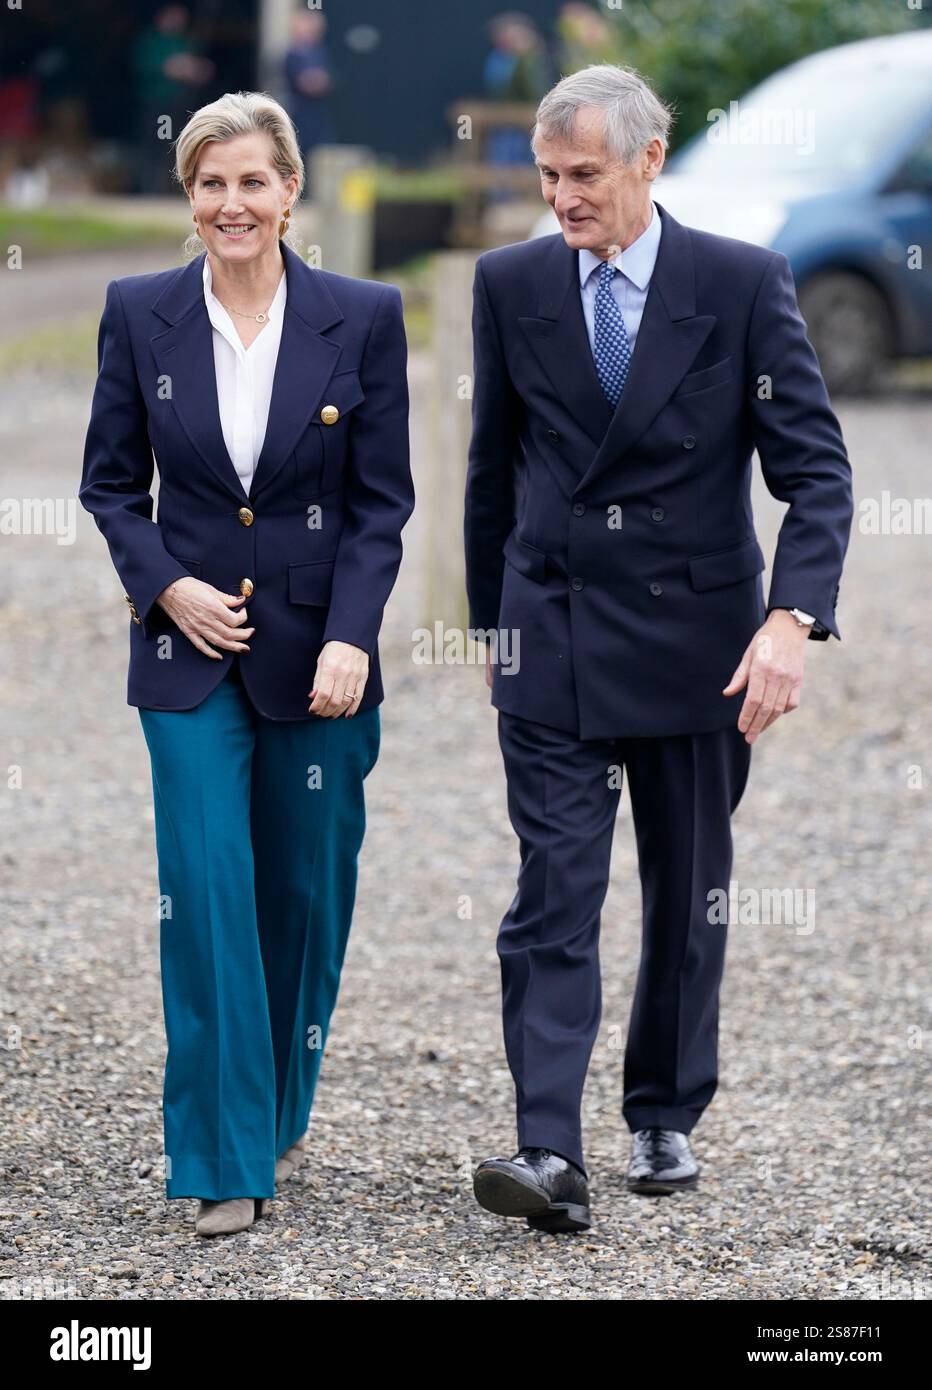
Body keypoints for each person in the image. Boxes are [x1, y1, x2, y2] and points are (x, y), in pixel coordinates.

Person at [464, 65, 852, 1233]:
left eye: (583, 174)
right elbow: (491, 472)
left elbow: (815, 473)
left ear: (648, 159)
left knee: (688, 895)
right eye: (545, 176)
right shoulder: (510, 282)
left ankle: (661, 1109)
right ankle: (545, 1146)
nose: (561, 198)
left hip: (701, 640)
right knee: (552, 892)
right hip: (555, 634)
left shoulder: (739, 286)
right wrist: (497, 632)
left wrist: (791, 617)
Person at [79, 90, 414, 1236]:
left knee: (303, 892)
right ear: (190, 197)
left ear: (290, 192)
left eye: (253, 182)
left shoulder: (362, 316)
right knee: (209, 891)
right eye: (211, 184)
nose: (233, 204)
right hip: (184, 658)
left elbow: (382, 504)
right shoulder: (137, 312)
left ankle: (271, 1100)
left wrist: (351, 639)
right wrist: (164, 583)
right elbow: (110, 486)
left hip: (319, 659)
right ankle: (222, 1157)